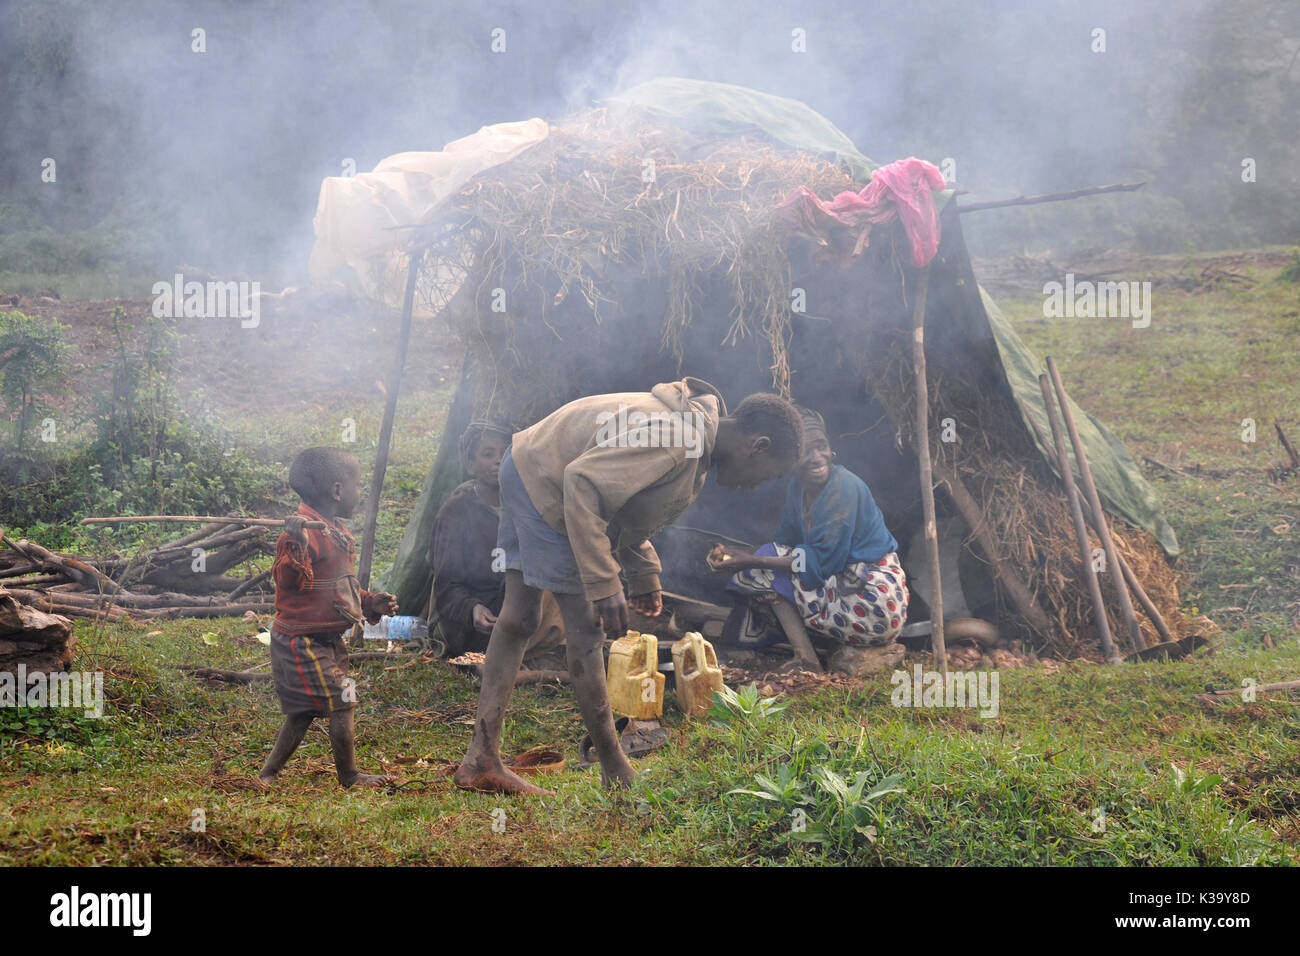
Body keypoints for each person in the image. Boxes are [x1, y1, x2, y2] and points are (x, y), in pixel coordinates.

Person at [452, 377, 803, 795]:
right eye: (769, 474)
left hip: (528, 461)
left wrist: (642, 573)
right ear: (757, 446)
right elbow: (581, 484)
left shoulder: (694, 444)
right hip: (547, 479)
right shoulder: (676, 438)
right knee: (586, 632)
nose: (758, 484)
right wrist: (603, 581)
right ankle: (615, 768)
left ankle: (480, 761)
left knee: (519, 618)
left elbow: (625, 503)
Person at [712, 407, 908, 673]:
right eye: (806, 450)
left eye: (821, 447)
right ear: (792, 457)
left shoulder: (844, 488)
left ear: (832, 450)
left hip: (876, 601)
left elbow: (821, 560)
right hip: (848, 589)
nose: (816, 458)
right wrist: (739, 553)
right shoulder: (799, 489)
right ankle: (804, 654)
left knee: (761, 572)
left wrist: (754, 560)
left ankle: (807, 660)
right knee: (763, 562)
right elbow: (785, 544)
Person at [256, 447, 397, 790]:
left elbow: (341, 588)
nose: (358, 493)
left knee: (303, 713)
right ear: (336, 491)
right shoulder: (300, 534)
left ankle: (267, 774)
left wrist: (370, 602)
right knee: (344, 698)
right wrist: (297, 543)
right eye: (356, 485)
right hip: (301, 641)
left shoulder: (339, 534)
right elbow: (288, 580)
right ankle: (349, 776)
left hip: (327, 641)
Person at [427, 421, 563, 658]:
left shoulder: (527, 507)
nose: (498, 461)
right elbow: (446, 585)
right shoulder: (456, 513)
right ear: (470, 466)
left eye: (505, 453)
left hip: (525, 606)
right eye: (487, 454)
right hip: (479, 619)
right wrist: (472, 609)